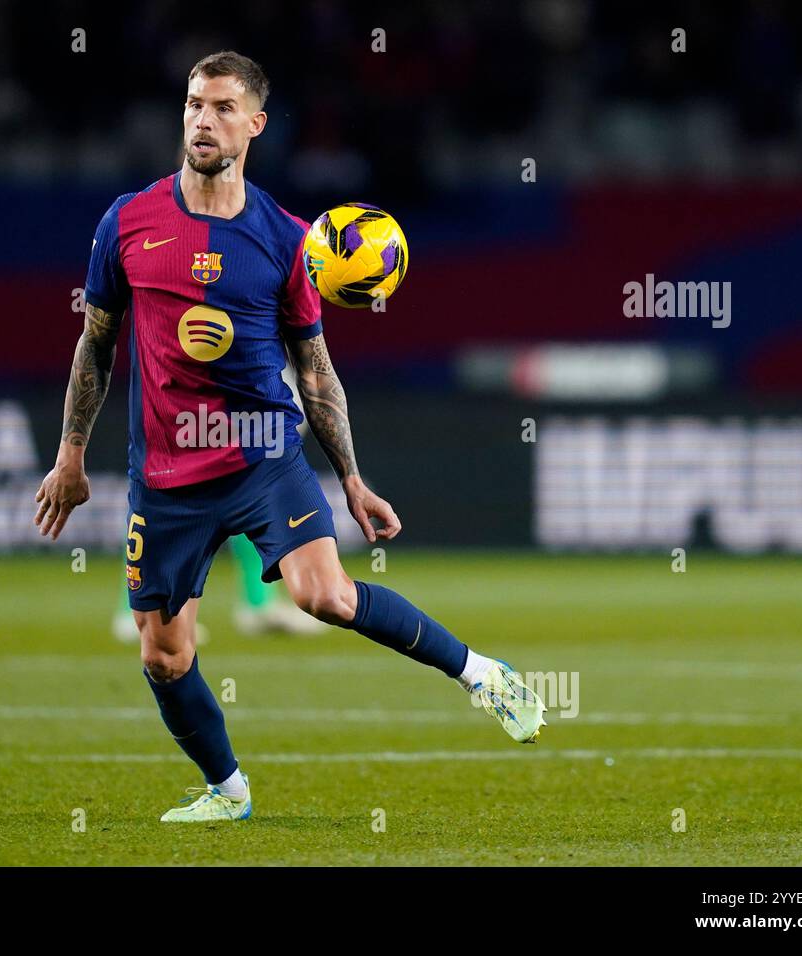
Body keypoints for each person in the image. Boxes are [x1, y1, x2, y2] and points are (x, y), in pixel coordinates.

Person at [34, 51, 546, 823]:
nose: (203, 120)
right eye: (194, 104)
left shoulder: (288, 240)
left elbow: (315, 369)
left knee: (326, 596)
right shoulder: (127, 221)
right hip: (167, 475)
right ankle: (227, 789)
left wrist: (353, 477)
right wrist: (71, 453)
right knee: (164, 656)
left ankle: (479, 672)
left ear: (256, 124)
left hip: (262, 457)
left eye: (222, 108)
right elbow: (95, 342)